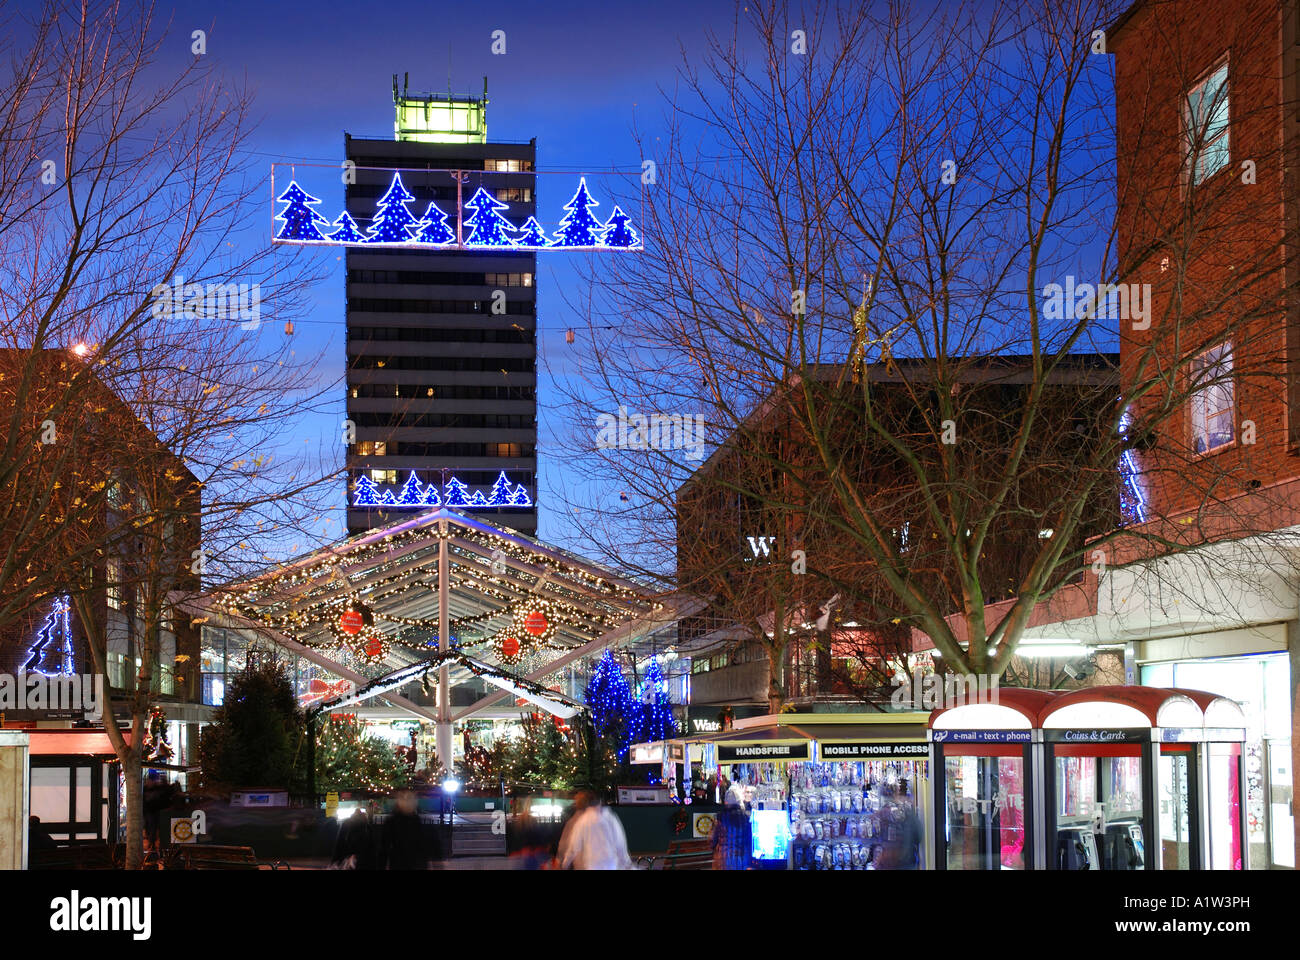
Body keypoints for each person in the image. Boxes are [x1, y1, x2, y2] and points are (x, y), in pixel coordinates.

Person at [557, 789, 631, 870]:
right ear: (600, 802)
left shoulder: (583, 821)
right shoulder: (611, 818)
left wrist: (565, 863)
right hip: (610, 863)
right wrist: (627, 863)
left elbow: (574, 846)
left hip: (592, 864)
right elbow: (620, 843)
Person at [381, 789, 433, 869]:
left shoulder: (418, 820)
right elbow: (384, 847)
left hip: (409, 863)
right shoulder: (392, 821)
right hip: (402, 863)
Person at [708, 793, 752, 870]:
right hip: (742, 859)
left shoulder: (719, 818)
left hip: (723, 859)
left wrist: (715, 849)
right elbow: (750, 840)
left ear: (726, 803)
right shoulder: (746, 817)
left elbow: (711, 840)